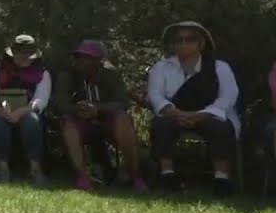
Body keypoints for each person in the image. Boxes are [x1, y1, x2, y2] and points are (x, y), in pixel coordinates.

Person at [146, 21, 240, 197]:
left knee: (221, 127)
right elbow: (155, 95)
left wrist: (202, 115)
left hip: (209, 115)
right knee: (161, 124)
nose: (183, 43)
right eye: (178, 40)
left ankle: (222, 179)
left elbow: (228, 96)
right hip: (174, 115)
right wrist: (175, 113)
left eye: (189, 39)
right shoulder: (161, 68)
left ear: (201, 43)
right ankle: (167, 175)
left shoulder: (219, 67)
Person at [53, 40, 144, 191]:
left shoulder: (111, 76)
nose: (81, 62)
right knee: (67, 122)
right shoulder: (67, 77)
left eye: (87, 58)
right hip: (79, 121)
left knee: (123, 118)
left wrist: (98, 109)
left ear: (98, 61)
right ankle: (81, 176)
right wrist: (78, 108)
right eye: (78, 58)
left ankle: (135, 174)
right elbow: (60, 105)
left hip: (107, 120)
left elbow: (122, 102)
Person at [0, 34, 51, 186]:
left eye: (27, 55)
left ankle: (35, 170)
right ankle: (3, 170)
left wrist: (20, 112)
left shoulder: (42, 74)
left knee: (32, 121)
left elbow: (40, 100)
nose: (23, 58)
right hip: (1, 112)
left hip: (27, 113)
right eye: (20, 54)